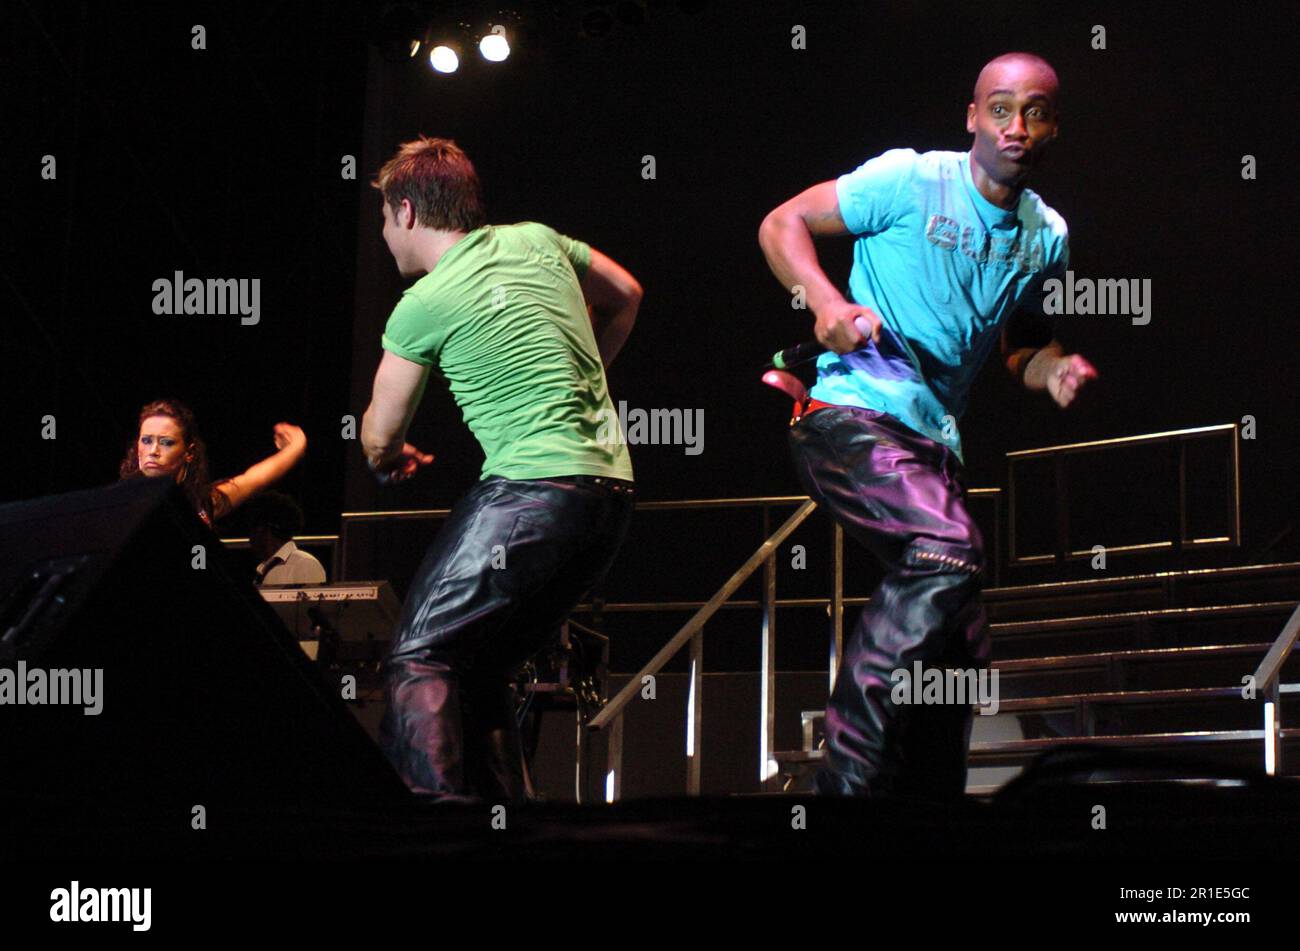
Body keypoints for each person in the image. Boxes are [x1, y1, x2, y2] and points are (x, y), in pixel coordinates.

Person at [758, 52, 1098, 799]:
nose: (1016, 127)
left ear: (1052, 127)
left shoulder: (1047, 235)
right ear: (973, 117)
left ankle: (926, 814)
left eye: (1034, 111)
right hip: (850, 418)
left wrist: (1053, 371)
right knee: (946, 550)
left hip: (933, 445)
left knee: (958, 650)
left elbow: (1022, 345)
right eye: (1000, 109)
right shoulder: (910, 181)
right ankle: (843, 780)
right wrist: (823, 302)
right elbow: (783, 222)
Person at [361, 136, 642, 803]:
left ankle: (433, 832)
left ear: (404, 211)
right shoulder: (538, 240)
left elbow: (377, 434)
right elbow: (626, 292)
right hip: (607, 498)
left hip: (532, 493)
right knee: (479, 669)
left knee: (418, 656)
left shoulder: (422, 304)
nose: (383, 234)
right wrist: (581, 375)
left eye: (382, 218)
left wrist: (389, 459)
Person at [118, 398, 308, 529]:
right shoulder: (122, 506)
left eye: (166, 442)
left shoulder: (203, 502)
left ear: (189, 453)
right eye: (146, 440)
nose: (153, 451)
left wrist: (296, 447)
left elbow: (255, 479)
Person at [246, 491, 327, 585]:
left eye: (252, 528)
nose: (250, 538)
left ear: (264, 529)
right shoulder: (263, 568)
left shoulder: (304, 564)